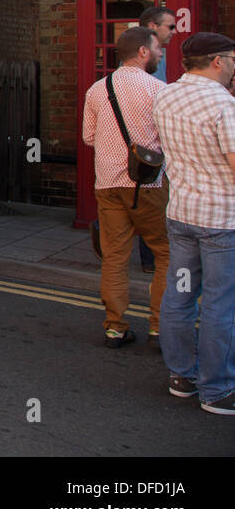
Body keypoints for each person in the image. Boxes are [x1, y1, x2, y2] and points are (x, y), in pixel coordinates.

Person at [153, 32, 235, 414]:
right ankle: (217, 391)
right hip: (222, 222)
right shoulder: (224, 104)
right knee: (220, 303)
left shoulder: (166, 96)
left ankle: (182, 377)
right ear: (217, 61)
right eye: (232, 59)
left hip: (182, 215)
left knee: (180, 296)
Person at [81, 26, 169, 348]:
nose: (161, 53)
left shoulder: (96, 89)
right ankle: (159, 328)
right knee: (166, 254)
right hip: (148, 185)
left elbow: (88, 138)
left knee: (115, 258)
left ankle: (115, 328)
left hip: (107, 184)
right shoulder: (159, 89)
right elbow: (168, 140)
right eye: (158, 48)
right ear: (143, 52)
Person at [137, 6, 178, 272]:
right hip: (148, 146)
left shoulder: (157, 59)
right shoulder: (149, 62)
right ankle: (151, 259)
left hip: (154, 145)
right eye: (170, 26)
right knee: (149, 202)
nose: (175, 31)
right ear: (153, 27)